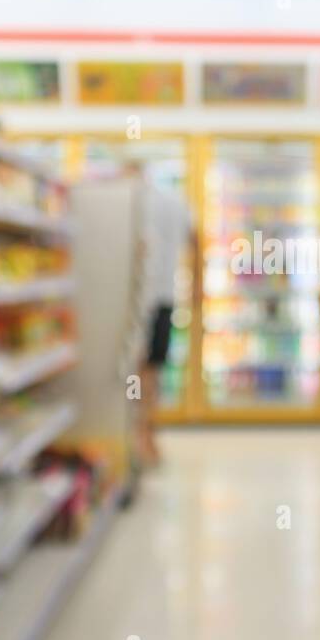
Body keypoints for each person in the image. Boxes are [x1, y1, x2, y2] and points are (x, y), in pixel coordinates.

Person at [127, 160, 193, 469]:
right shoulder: (175, 202)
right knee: (151, 371)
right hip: (165, 297)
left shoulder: (132, 204)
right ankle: (147, 435)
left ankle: (137, 435)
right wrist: (199, 288)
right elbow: (196, 239)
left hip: (136, 302)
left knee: (135, 370)